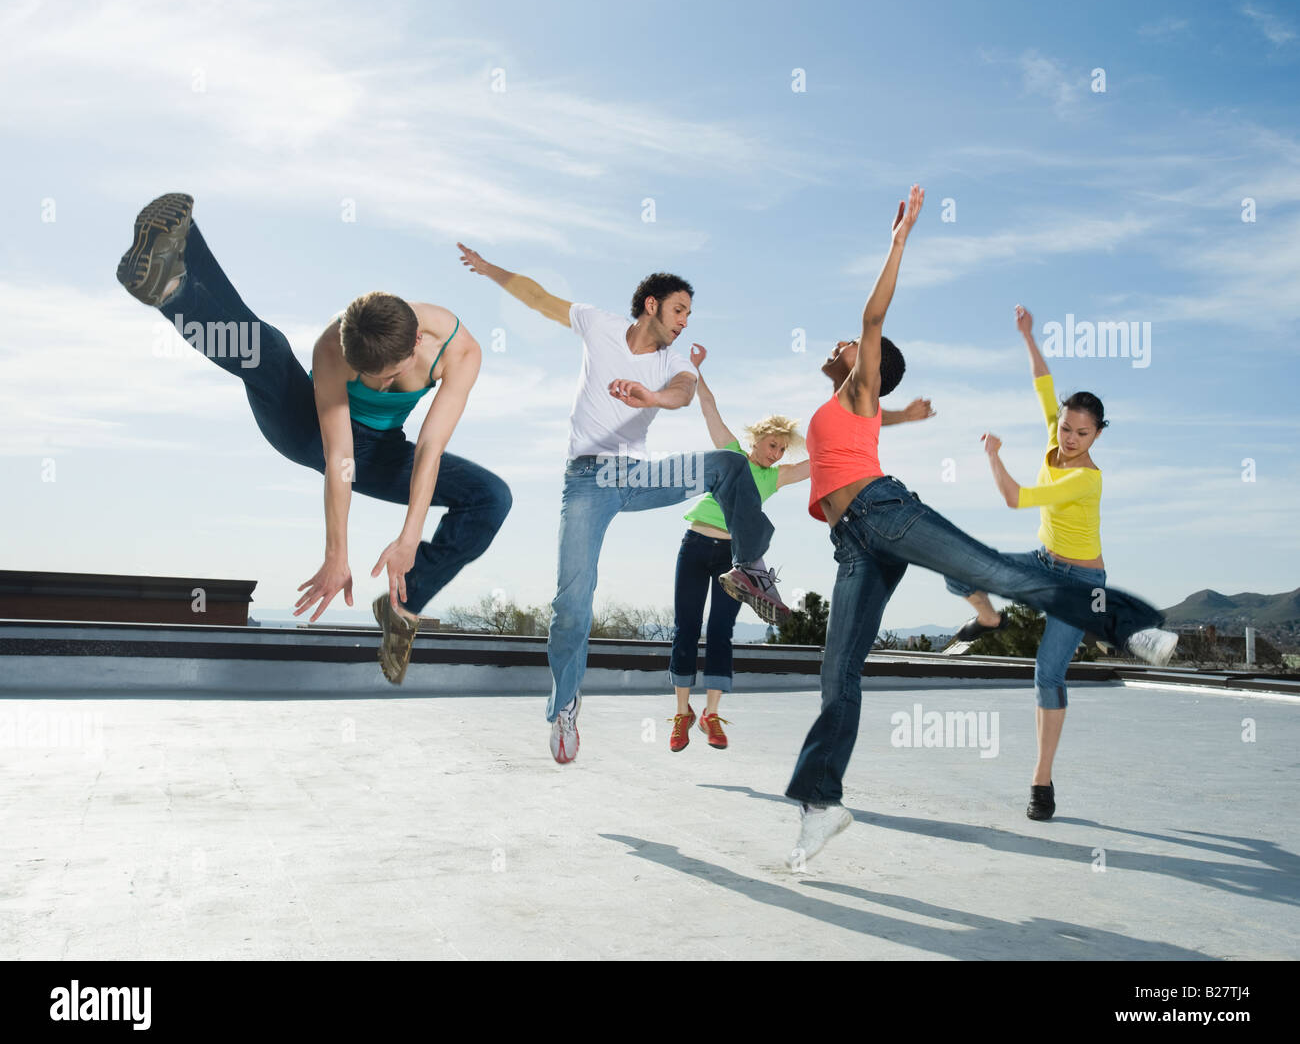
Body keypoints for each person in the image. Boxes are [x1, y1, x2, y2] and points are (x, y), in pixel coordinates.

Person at [785, 185, 1178, 868]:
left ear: (867, 369)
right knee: (838, 671)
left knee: (992, 571)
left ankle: (1131, 623)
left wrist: (899, 238)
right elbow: (870, 405)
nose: (843, 343)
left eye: (852, 347)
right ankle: (820, 803)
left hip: (885, 511)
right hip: (854, 542)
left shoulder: (858, 391)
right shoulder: (850, 409)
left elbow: (871, 315)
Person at [116, 193, 511, 684]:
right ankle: (172, 286)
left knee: (491, 497)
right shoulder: (333, 343)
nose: (377, 387)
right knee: (266, 352)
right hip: (305, 429)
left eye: (386, 379)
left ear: (415, 345)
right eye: (365, 376)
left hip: (386, 452)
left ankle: (400, 609)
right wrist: (336, 555)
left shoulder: (461, 351)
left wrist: (409, 539)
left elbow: (430, 449)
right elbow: (339, 458)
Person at [456, 243, 789, 764]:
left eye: (689, 315)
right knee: (572, 603)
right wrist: (489, 268)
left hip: (636, 475)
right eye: (679, 310)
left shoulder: (674, 363)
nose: (684, 323)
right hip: (587, 480)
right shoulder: (598, 323)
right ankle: (565, 705)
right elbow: (538, 297)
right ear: (652, 305)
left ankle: (750, 567)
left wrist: (652, 397)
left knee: (728, 465)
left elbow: (682, 390)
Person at [668, 344, 934, 753]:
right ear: (756, 440)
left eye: (780, 450)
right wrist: (697, 369)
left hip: (733, 559)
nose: (775, 454)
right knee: (686, 629)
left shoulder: (775, 479)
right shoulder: (731, 456)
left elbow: (828, 448)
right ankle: (683, 713)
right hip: (694, 545)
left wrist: (888, 419)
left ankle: (711, 713)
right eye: (770, 445)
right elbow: (709, 407)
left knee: (720, 631)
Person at [942, 304, 1113, 821]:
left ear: (1097, 435)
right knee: (958, 566)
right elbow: (1044, 381)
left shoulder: (1087, 478)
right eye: (1065, 428)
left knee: (1046, 674)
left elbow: (1015, 498)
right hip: (1041, 562)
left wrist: (993, 457)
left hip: (1079, 581)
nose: (1069, 439)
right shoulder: (1054, 436)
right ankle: (991, 618)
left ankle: (1042, 780)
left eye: (1082, 434)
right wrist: (1028, 336)